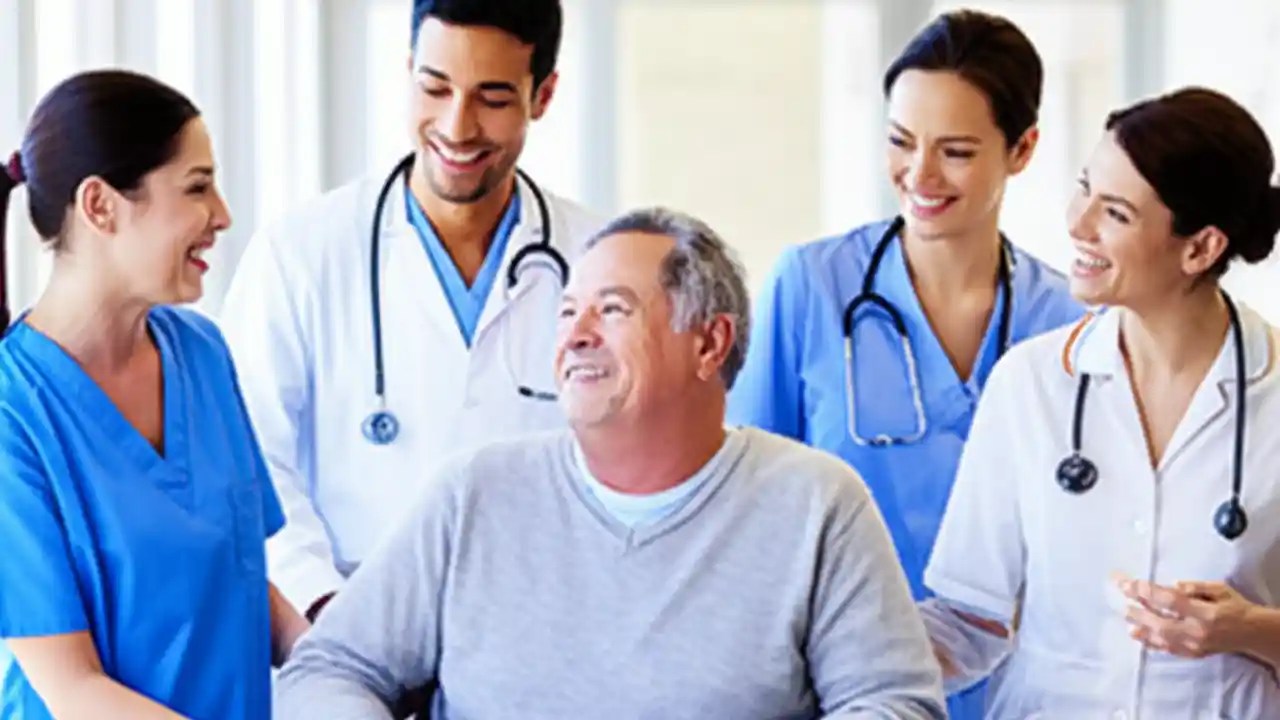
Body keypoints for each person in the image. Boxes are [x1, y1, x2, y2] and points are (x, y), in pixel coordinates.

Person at [272, 207, 948, 719]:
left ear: (710, 343)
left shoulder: (816, 505)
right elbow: (330, 667)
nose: (576, 336)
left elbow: (897, 704)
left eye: (613, 310)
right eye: (568, 311)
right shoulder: (475, 494)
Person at [726, 10, 1084, 718]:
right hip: (841, 687)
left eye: (955, 150)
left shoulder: (1072, 325)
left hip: (1021, 697)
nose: (918, 174)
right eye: (900, 141)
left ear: (1022, 149)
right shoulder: (812, 287)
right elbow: (746, 508)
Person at [217, 0, 605, 622]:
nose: (457, 125)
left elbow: (633, 461)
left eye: (494, 98)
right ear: (408, 71)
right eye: (435, 87)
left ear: (544, 95)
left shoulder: (595, 257)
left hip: (546, 633)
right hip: (346, 628)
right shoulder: (301, 252)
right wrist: (333, 616)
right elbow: (248, 461)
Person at [922, 86, 1280, 718]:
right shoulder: (1030, 384)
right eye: (1084, 188)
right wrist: (818, 664)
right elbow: (968, 620)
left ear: (1200, 248)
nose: (1077, 223)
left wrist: (1249, 629)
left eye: (1114, 212)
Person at [0, 70, 307, 720]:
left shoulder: (201, 353)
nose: (222, 215)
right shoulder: (13, 413)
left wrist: (352, 672)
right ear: (100, 205)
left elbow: (239, 580)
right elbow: (72, 689)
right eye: (197, 187)